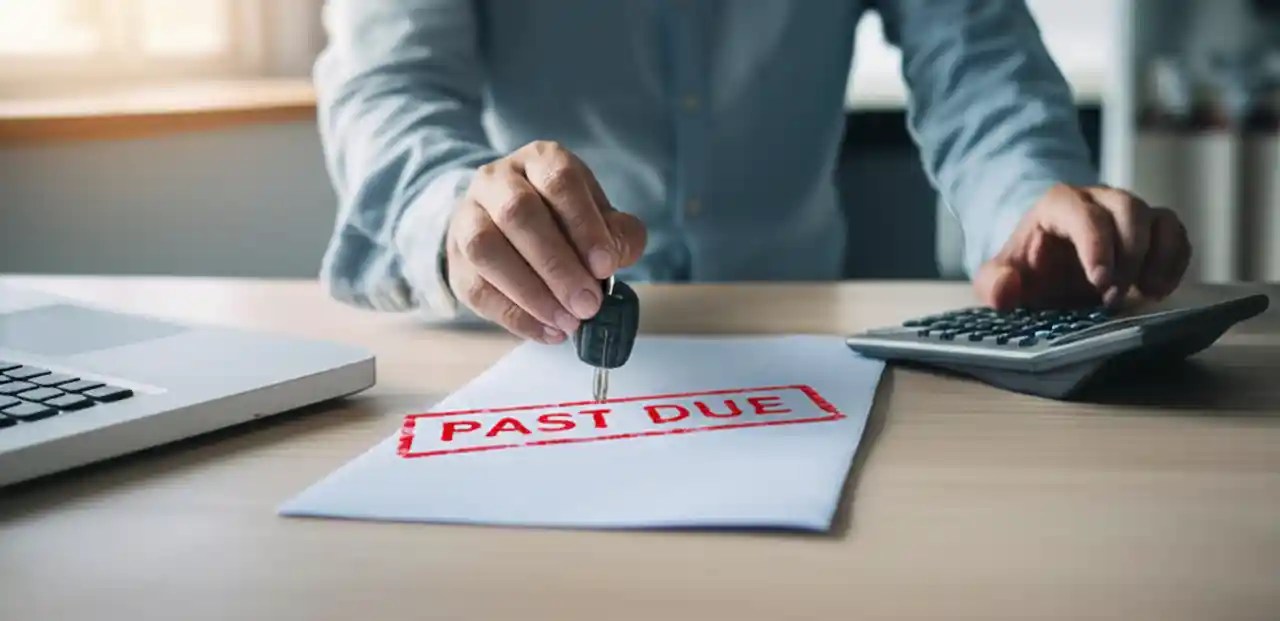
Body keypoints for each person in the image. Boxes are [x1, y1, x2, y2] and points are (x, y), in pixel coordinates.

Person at [312, 0, 1191, 344]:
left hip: (805, 333)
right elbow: (391, 84)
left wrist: (1026, 196)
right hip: (513, 340)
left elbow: (975, 53)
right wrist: (457, 217)